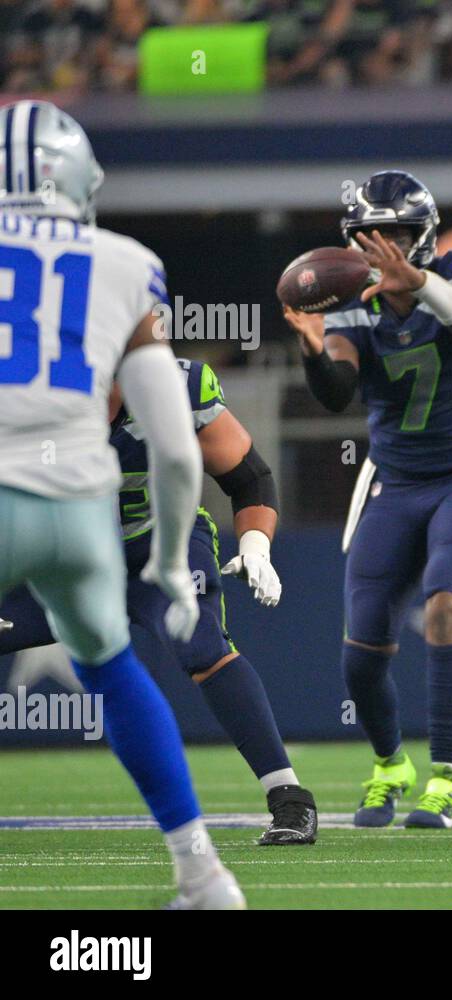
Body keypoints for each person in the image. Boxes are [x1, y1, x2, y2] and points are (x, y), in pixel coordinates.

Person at [0, 99, 242, 907]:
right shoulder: (125, 262)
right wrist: (172, 560)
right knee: (109, 666)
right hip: (79, 509)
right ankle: (202, 875)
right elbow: (177, 448)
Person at [0, 358, 318, 846]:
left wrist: (256, 546)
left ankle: (289, 798)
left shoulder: (177, 386)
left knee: (204, 650)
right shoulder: (26, 394)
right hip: (57, 553)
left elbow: (248, 476)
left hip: (159, 547)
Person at [284, 170, 452, 830]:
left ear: (425, 237)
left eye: (397, 236)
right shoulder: (351, 299)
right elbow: (337, 390)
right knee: (361, 653)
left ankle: (445, 780)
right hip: (394, 482)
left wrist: (423, 286)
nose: (383, 249)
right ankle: (390, 766)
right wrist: (312, 352)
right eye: (369, 237)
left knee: (444, 608)